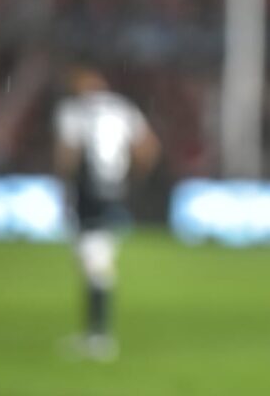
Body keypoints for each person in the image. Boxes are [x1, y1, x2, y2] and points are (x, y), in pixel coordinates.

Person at [53, 63, 160, 361]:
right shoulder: (123, 108)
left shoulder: (73, 111)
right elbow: (149, 148)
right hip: (114, 190)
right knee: (97, 255)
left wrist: (65, 189)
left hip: (88, 191)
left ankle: (99, 337)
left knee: (94, 258)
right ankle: (95, 334)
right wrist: (132, 178)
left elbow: (67, 154)